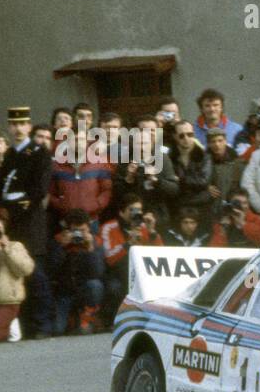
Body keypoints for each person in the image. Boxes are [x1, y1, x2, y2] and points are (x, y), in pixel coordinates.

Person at [99, 193, 161, 322]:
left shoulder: (144, 227)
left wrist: (152, 232)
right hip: (116, 272)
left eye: (139, 210)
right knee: (114, 287)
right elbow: (109, 258)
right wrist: (128, 244)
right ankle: (112, 320)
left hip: (140, 273)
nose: (136, 213)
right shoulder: (109, 227)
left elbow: (159, 254)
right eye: (132, 210)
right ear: (121, 212)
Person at [48, 208, 105, 336]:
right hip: (64, 292)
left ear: (89, 229)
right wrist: (62, 247)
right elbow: (51, 269)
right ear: (68, 230)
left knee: (96, 285)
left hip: (85, 289)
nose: (79, 235)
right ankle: (72, 320)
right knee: (57, 330)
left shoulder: (96, 241)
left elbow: (98, 272)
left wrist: (90, 248)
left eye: (83, 231)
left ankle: (87, 317)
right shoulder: (58, 240)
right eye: (75, 231)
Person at [158, 120, 213, 227]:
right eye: (181, 136)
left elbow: (203, 181)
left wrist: (180, 180)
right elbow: (168, 182)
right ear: (174, 136)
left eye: (190, 134)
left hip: (199, 206)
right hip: (176, 207)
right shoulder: (168, 156)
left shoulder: (204, 156)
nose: (186, 139)